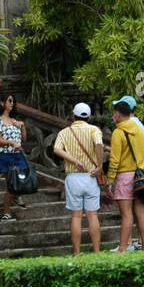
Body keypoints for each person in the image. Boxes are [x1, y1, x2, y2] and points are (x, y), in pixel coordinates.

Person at [53, 102, 104, 255]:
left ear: (73, 115)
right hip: (90, 176)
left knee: (76, 216)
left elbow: (56, 149)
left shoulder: (64, 132)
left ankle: (76, 252)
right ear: (88, 116)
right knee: (92, 215)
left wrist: (74, 160)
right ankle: (96, 251)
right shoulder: (94, 129)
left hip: (73, 178)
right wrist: (100, 165)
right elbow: (99, 144)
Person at [107, 96, 144, 252]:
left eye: (114, 114)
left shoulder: (118, 132)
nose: (113, 117)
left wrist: (109, 180)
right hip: (140, 175)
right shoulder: (140, 129)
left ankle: (123, 249)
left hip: (125, 175)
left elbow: (114, 160)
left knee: (126, 215)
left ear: (119, 115)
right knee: (140, 211)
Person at [0, 91, 30, 222]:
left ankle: (16, 196)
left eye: (13, 101)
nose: (12, 103)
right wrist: (11, 142)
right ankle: (7, 213)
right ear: (2, 103)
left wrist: (22, 125)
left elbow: (24, 138)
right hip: (4, 155)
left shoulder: (14, 120)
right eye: (9, 101)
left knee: (23, 175)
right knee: (11, 183)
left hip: (17, 154)